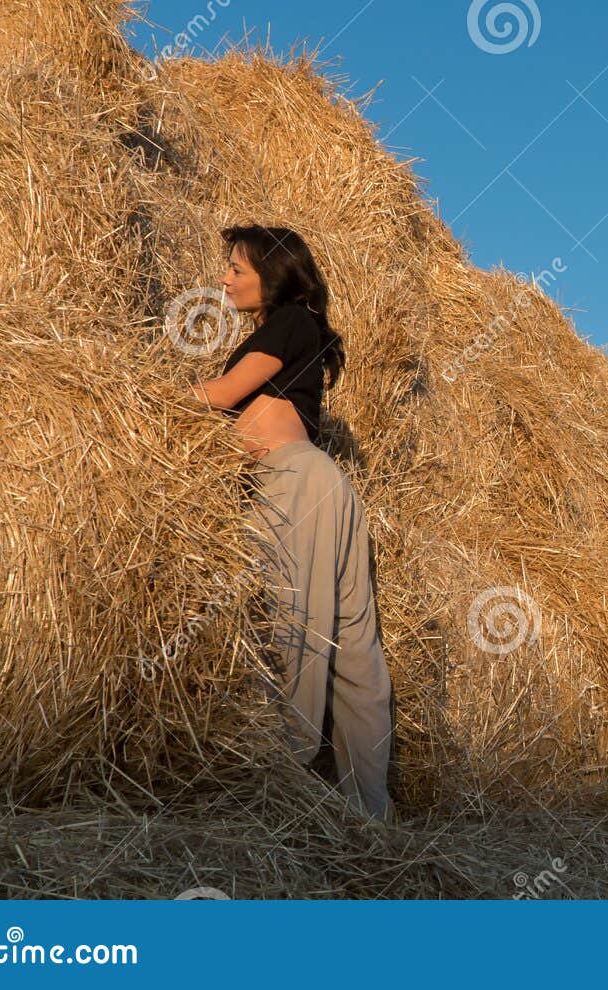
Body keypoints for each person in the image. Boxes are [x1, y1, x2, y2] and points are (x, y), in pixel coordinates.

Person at [186, 224, 395, 824]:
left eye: (237, 269)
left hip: (292, 482)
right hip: (324, 485)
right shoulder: (301, 327)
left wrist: (132, 397)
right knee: (353, 649)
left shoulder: (290, 320)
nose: (224, 279)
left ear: (272, 276)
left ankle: (283, 786)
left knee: (292, 630)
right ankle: (368, 812)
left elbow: (224, 394)